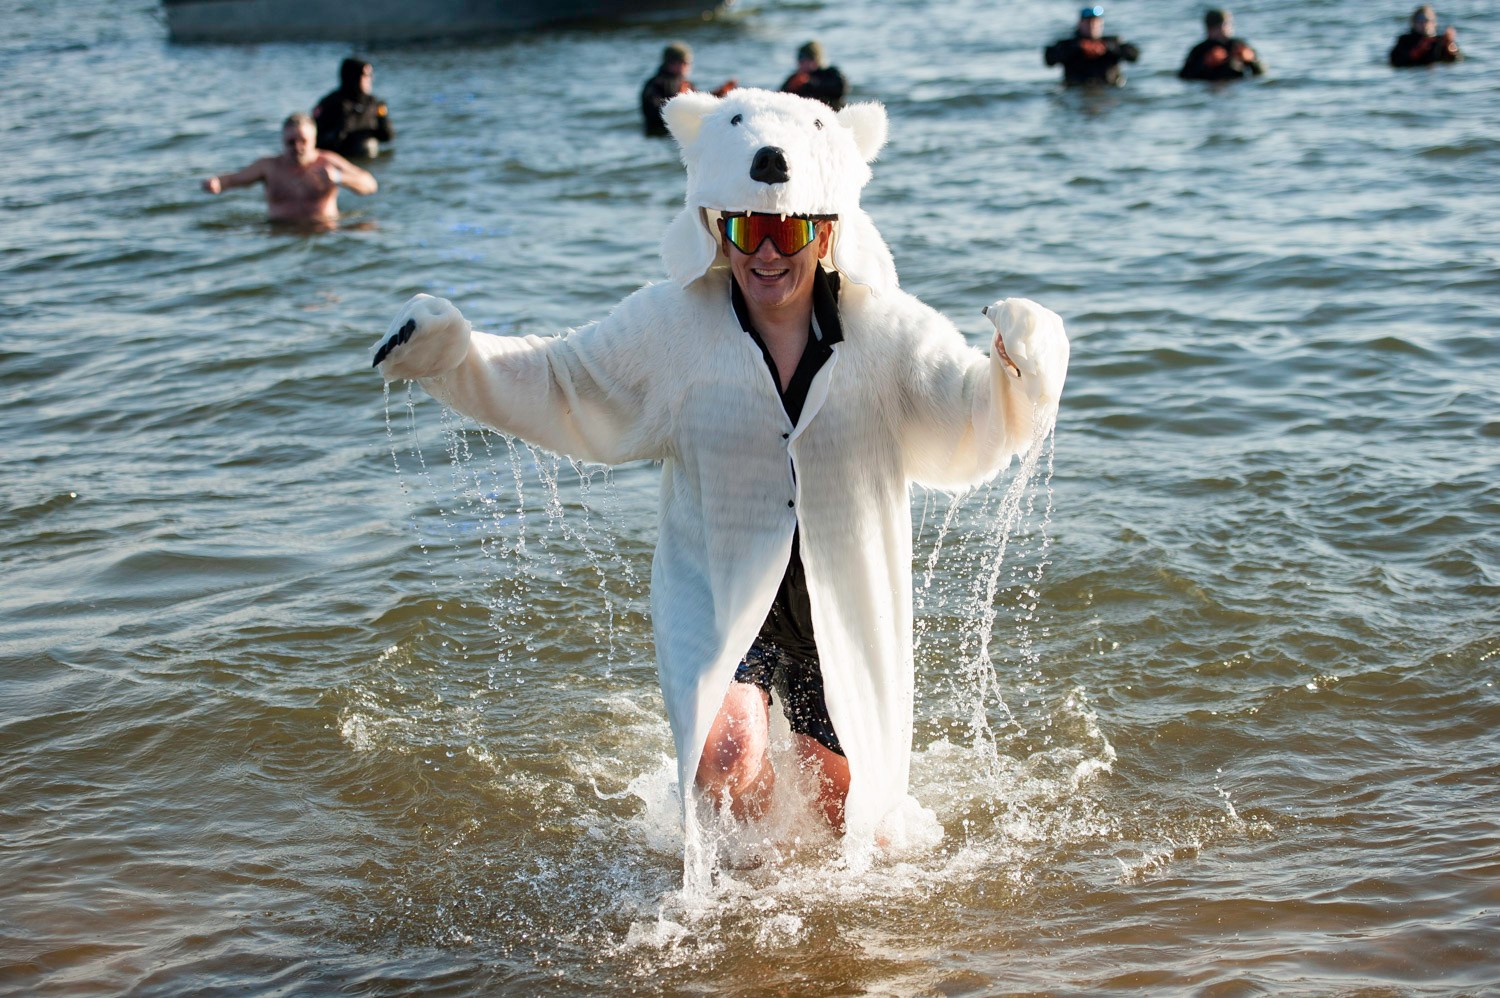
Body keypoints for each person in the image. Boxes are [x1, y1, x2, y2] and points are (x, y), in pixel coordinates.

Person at [372, 88, 1068, 849]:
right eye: (743, 227)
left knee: (845, 815)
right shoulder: (671, 326)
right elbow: (560, 381)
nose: (764, 251)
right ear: (714, 223)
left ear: (826, 228)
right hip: (718, 578)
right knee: (727, 768)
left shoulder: (888, 334)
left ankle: (808, 928)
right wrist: (457, 355)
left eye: (787, 228)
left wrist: (1020, 371)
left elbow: (970, 412)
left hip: (842, 589)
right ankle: (745, 891)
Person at [202, 113, 376, 224]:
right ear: (282, 141)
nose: (297, 146)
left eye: (303, 141)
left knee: (367, 227)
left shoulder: (328, 162)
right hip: (279, 233)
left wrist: (339, 177)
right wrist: (217, 183)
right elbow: (234, 179)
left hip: (324, 230)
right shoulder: (269, 166)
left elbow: (370, 185)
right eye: (291, 142)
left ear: (314, 140)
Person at [640, 42, 736, 138]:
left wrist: (718, 94)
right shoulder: (655, 84)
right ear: (672, 63)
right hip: (659, 135)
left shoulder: (684, 82)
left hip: (680, 134)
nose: (689, 66)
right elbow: (653, 112)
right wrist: (679, 102)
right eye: (686, 63)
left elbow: (697, 104)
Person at [312, 58, 394, 159]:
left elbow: (387, 136)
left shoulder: (375, 103)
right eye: (366, 75)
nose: (370, 79)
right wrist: (341, 130)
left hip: (368, 157)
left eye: (371, 75)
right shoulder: (330, 104)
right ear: (353, 77)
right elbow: (316, 140)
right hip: (339, 157)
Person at [1044, 6, 1140, 87]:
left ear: (1101, 24)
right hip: (1077, 89)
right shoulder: (1069, 44)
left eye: (1095, 22)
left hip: (1109, 89)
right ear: (1080, 24)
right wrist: (1079, 47)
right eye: (1088, 22)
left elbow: (1134, 55)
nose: (1092, 26)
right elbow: (1049, 59)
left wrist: (1107, 47)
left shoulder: (1113, 42)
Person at [1178, 9, 1265, 80]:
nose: (1227, 29)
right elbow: (1184, 76)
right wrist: (1205, 64)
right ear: (1210, 29)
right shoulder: (1200, 49)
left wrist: (1251, 60)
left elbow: (1262, 73)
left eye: (1229, 25)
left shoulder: (1239, 45)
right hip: (1210, 86)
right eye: (1222, 26)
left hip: (1238, 87)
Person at [780, 40, 848, 110]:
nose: (800, 63)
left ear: (815, 59)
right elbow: (780, 96)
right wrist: (792, 86)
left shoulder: (829, 73)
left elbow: (842, 87)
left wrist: (810, 83)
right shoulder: (796, 78)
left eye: (804, 58)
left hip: (833, 112)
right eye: (799, 59)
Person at [1390, 5, 1462, 66]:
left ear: (1434, 23)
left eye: (1428, 20)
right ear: (1414, 23)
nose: (1424, 23)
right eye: (1420, 19)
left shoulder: (1440, 41)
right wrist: (1417, 52)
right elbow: (1395, 61)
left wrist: (1450, 46)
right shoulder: (1405, 40)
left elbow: (1456, 60)